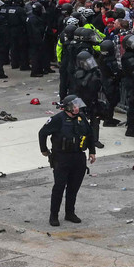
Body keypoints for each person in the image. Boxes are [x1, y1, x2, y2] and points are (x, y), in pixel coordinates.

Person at [38, 95, 96, 226]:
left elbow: (90, 134)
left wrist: (92, 151)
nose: (77, 108)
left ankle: (70, 213)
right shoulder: (57, 119)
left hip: (78, 157)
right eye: (74, 106)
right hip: (62, 158)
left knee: (73, 188)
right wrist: (44, 150)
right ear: (68, 107)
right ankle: (54, 215)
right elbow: (42, 133)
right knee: (59, 187)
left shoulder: (81, 118)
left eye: (77, 105)